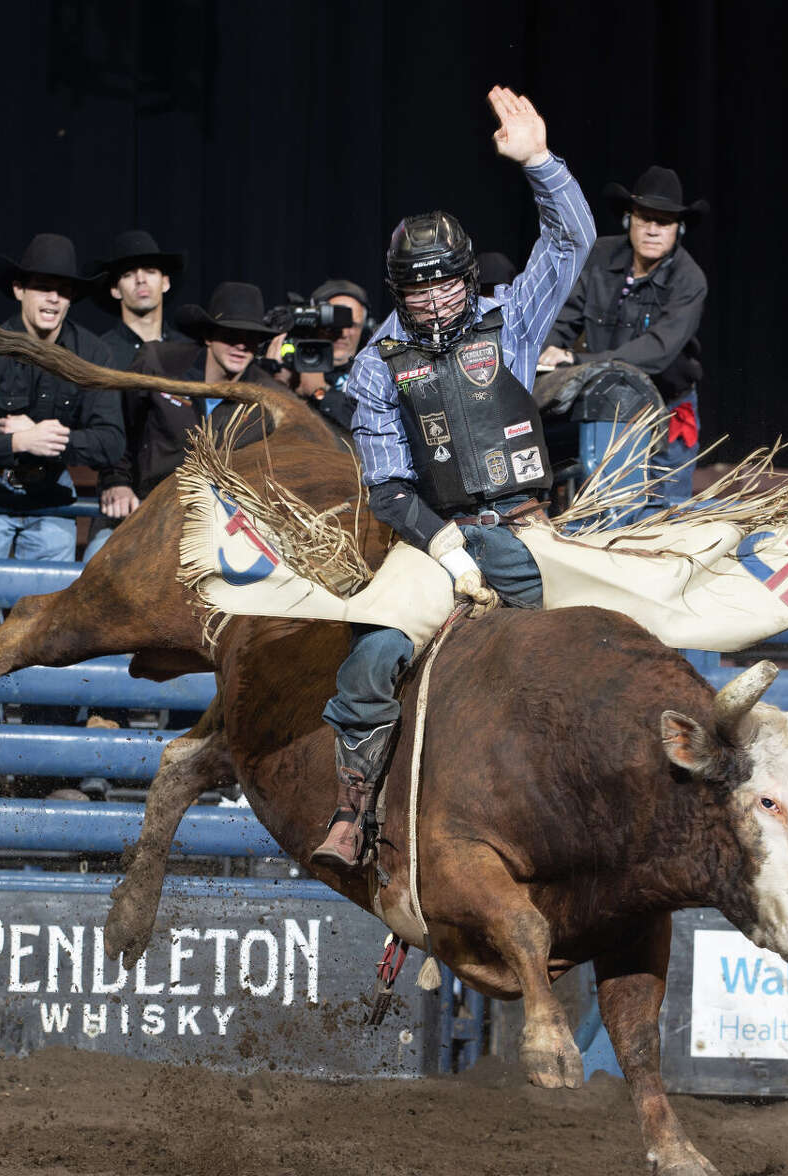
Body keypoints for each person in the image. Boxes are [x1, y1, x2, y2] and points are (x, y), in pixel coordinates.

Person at [312, 84, 593, 871]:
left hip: (531, 530)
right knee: (371, 659)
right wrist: (447, 549)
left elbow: (570, 243)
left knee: (593, 642)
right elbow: (388, 484)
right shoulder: (374, 369)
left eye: (446, 282)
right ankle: (352, 809)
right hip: (434, 539)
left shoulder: (515, 320)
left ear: (467, 278)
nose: (434, 299)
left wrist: (538, 161)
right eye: (418, 286)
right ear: (398, 290)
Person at [0, 233, 123, 647]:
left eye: (63, 290)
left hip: (49, 498)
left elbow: (110, 442)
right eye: (43, 287)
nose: (53, 299)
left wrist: (46, 439)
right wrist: (17, 443)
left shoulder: (91, 354)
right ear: (19, 289)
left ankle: (35, 713)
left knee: (42, 629)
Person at [541, 165, 709, 506]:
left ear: (679, 229)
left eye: (663, 222)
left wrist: (576, 359)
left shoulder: (689, 279)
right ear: (627, 220)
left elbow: (657, 351)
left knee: (665, 503)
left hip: (666, 402)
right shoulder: (599, 257)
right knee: (603, 498)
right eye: (644, 218)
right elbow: (563, 319)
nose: (652, 230)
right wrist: (545, 350)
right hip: (606, 405)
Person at [86, 281, 285, 560]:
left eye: (251, 337)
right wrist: (116, 481)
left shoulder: (268, 398)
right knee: (95, 567)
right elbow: (120, 427)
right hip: (139, 512)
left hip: (215, 532)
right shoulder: (160, 364)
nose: (241, 345)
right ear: (208, 336)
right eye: (230, 334)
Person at [93, 230, 187, 370]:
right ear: (115, 290)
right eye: (128, 274)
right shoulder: (99, 355)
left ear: (165, 283)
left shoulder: (189, 352)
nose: (141, 280)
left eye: (150, 271)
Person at [290, 278, 370, 438]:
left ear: (365, 329)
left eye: (353, 325)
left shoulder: (374, 372)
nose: (344, 334)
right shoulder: (290, 365)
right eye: (335, 324)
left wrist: (320, 392)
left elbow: (371, 423)